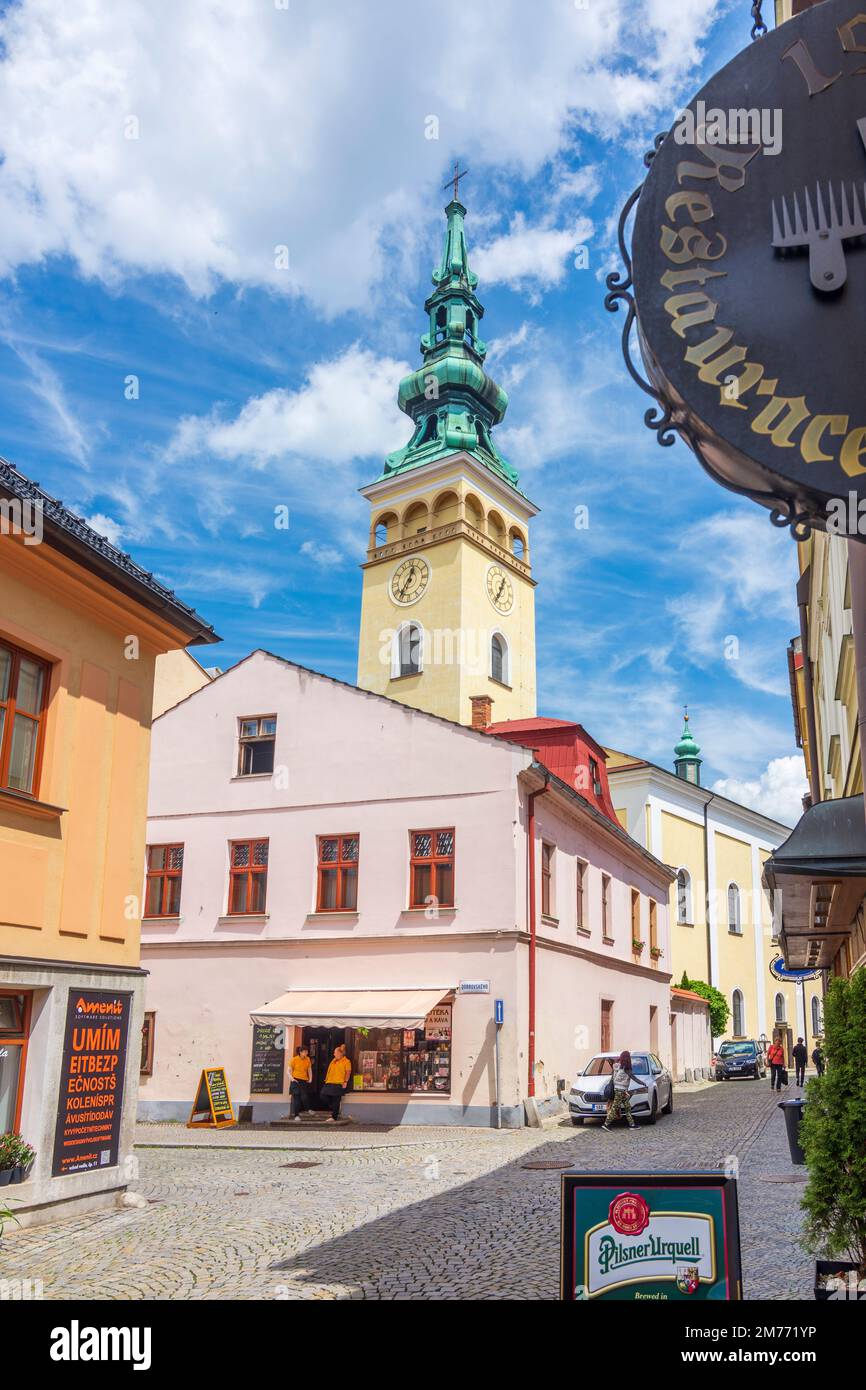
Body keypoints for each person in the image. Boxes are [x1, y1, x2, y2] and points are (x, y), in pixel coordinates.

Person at [602, 1050, 639, 1132]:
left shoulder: (617, 1067)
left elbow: (614, 1072)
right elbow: (633, 1077)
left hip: (619, 1090)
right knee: (615, 1108)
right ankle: (606, 1124)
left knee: (627, 1107)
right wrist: (642, 1083)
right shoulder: (626, 1068)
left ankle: (632, 1125)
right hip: (621, 1091)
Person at [320, 1043, 352, 1122]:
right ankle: (334, 1106)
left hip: (339, 1083)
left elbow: (348, 1072)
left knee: (336, 1099)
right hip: (329, 1082)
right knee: (323, 1095)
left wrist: (345, 1082)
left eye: (335, 1052)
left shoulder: (346, 1061)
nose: (334, 1054)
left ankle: (334, 1117)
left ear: (339, 1053)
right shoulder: (333, 1060)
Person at [289, 1045, 312, 1120]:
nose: (307, 1053)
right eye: (305, 1051)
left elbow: (309, 1069)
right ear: (300, 1052)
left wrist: (310, 1078)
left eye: (307, 1051)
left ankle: (308, 1109)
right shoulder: (294, 1059)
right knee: (297, 1098)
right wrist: (292, 1079)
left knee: (304, 1097)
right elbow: (288, 1071)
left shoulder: (308, 1059)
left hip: (303, 1081)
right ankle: (296, 1116)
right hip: (295, 1080)